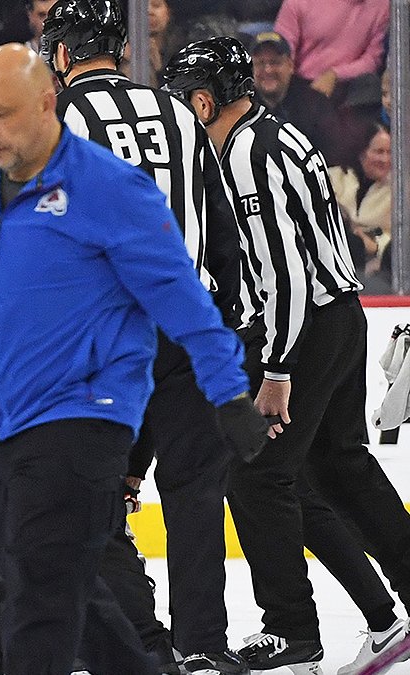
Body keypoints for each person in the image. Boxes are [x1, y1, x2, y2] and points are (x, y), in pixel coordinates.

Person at [0, 43, 264, 674]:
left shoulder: (106, 186)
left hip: (87, 403)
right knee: (22, 552)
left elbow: (179, 290)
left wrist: (228, 392)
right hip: (18, 408)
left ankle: (142, 657)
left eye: (3, 113)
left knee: (49, 561)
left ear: (46, 101)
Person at [161, 36, 410, 673]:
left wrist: (276, 370)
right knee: (334, 468)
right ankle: (387, 614)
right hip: (337, 317)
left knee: (258, 474)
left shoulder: (246, 154)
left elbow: (286, 276)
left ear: (203, 98)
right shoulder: (278, 133)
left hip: (306, 327)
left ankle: (292, 632)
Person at [39, 2, 247, 671]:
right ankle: (202, 647)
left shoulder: (60, 119)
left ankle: (123, 643)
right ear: (119, 52)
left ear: (64, 57)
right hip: (188, 323)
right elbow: (223, 237)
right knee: (193, 494)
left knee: (91, 495)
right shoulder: (183, 115)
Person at [249, 32, 341, 165]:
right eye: (260, 63)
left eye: (275, 62)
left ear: (290, 66)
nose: (268, 70)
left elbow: (331, 155)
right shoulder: (239, 107)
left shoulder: (315, 105)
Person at [329, 122, 391, 279]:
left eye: (390, 152)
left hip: (382, 270)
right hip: (335, 261)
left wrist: (376, 246)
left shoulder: (402, 190)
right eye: (379, 152)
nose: (385, 159)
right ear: (362, 152)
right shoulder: (333, 178)